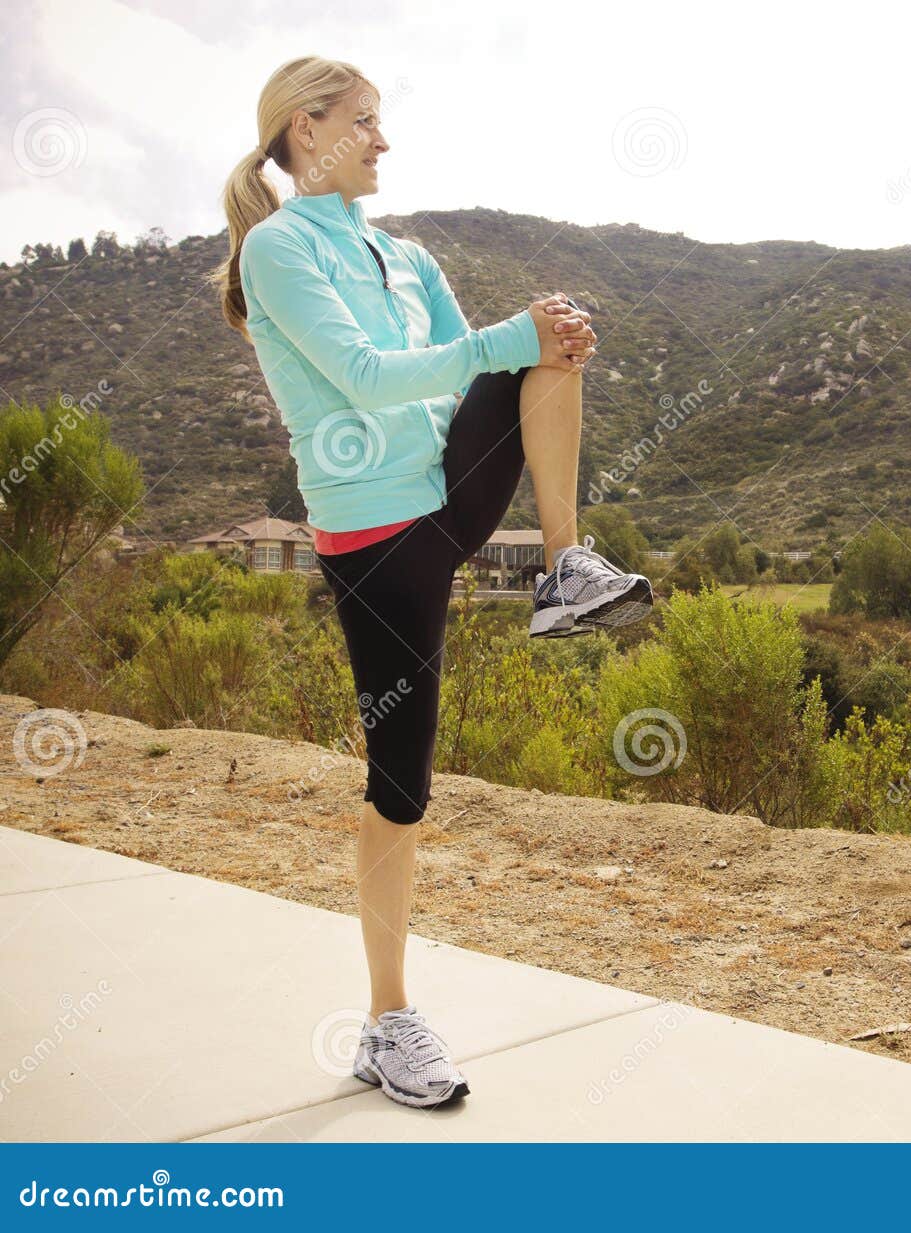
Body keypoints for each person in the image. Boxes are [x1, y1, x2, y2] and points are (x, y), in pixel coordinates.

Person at [212, 55, 654, 1109]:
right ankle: (386, 1023)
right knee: (401, 786)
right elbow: (362, 373)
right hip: (374, 539)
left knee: (550, 337)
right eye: (364, 122)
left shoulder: (403, 255)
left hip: (447, 495)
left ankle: (563, 567)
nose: (383, 140)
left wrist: (544, 340)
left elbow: (464, 362)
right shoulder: (277, 252)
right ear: (304, 130)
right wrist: (512, 341)